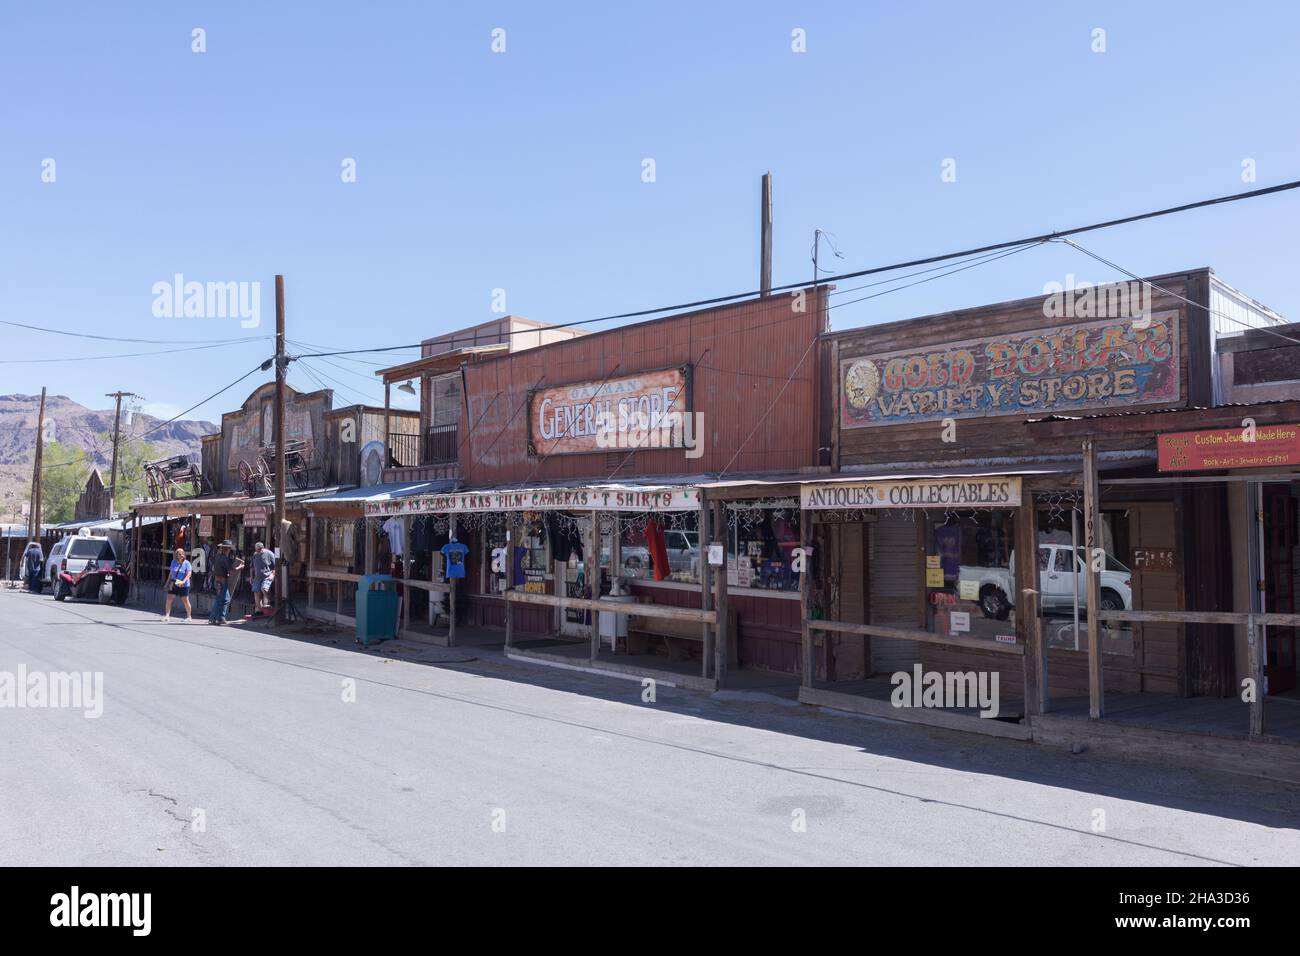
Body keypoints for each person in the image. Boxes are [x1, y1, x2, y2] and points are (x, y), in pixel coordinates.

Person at [207, 540, 243, 626]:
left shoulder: (217, 556)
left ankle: (221, 618)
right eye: (229, 549)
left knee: (225, 599)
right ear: (227, 549)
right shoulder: (224, 558)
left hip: (218, 580)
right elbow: (231, 570)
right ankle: (213, 618)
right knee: (220, 600)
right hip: (222, 581)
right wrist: (240, 567)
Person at [162, 546, 193, 622]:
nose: (179, 555)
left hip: (183, 584)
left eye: (180, 554)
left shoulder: (187, 563)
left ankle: (189, 616)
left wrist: (184, 581)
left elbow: (189, 574)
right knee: (169, 598)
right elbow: (171, 573)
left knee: (185, 600)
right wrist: (167, 583)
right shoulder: (173, 562)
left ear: (183, 555)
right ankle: (167, 615)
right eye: (177, 554)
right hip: (174, 582)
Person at [249, 541, 276, 615]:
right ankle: (259, 610)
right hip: (257, 577)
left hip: (267, 575)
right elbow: (251, 567)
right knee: (256, 591)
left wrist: (272, 575)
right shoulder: (255, 555)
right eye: (256, 550)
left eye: (258, 550)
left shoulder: (269, 554)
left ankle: (271, 600)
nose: (257, 551)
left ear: (262, 548)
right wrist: (251, 577)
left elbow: (275, 566)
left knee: (264, 588)